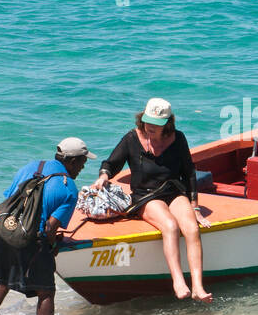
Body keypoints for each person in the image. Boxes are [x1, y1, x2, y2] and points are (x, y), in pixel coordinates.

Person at [90, 97, 211, 303]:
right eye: (148, 121)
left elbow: (189, 172)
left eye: (156, 124)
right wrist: (103, 176)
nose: (150, 127)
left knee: (191, 227)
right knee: (171, 226)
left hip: (173, 191)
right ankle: (178, 281)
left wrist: (195, 207)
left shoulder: (178, 138)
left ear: (168, 124)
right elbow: (112, 163)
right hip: (145, 195)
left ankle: (198, 286)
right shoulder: (131, 138)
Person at [0, 137, 94, 315]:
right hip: (29, 238)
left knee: (2, 283)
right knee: (46, 292)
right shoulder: (69, 189)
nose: (83, 167)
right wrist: (53, 245)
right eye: (83, 162)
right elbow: (49, 229)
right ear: (72, 161)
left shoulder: (32, 166)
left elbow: (11, 198)